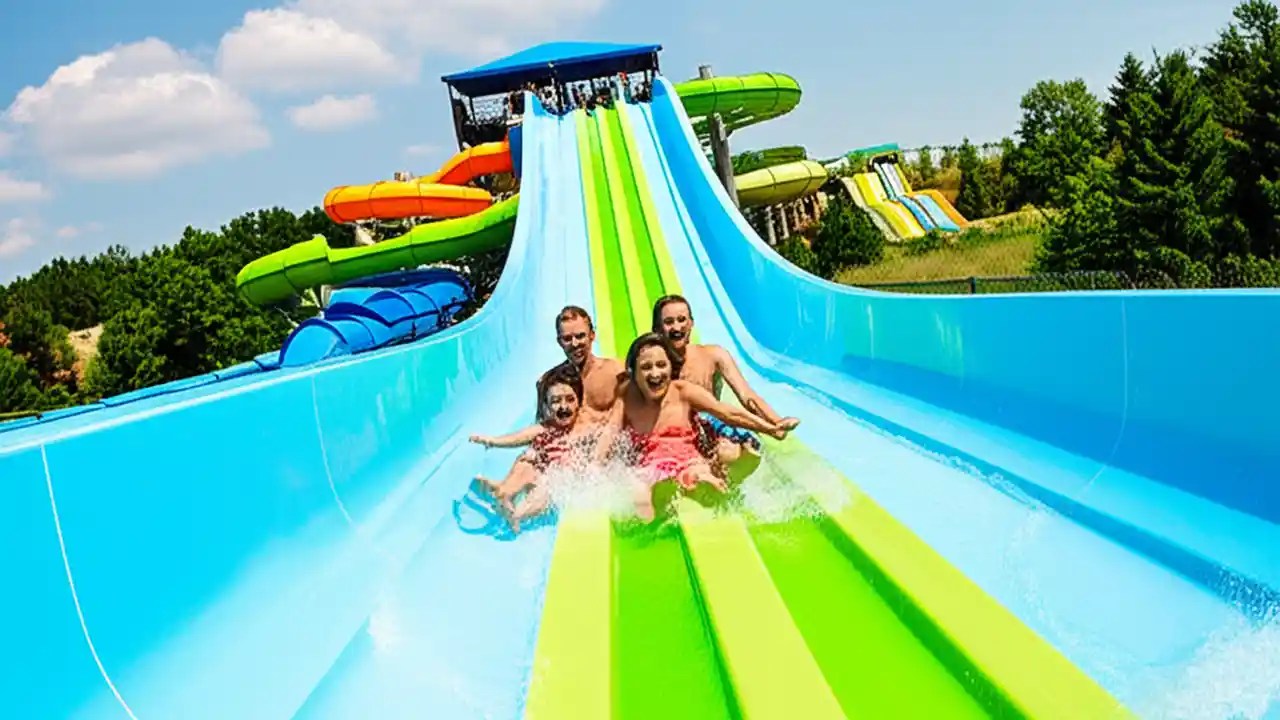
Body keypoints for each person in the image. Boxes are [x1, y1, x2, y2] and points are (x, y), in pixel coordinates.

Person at [598, 333, 790, 521]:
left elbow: (726, 412)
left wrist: (770, 428)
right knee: (640, 490)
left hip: (689, 461)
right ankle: (652, 518)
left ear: (671, 367)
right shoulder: (627, 398)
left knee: (698, 472)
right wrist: (594, 465)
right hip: (650, 465)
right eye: (646, 367)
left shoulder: (684, 392)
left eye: (661, 365)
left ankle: (709, 485)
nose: (655, 373)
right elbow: (610, 431)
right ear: (634, 373)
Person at [651, 295, 800, 466]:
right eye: (669, 322)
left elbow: (747, 396)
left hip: (714, 420)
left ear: (691, 323)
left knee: (745, 449)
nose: (677, 327)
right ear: (656, 329)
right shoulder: (652, 368)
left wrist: (776, 422)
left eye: (682, 320)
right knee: (725, 452)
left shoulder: (714, 355)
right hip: (678, 430)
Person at [470, 366, 590, 531]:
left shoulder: (584, 430)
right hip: (537, 467)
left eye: (570, 399)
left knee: (546, 491)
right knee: (525, 464)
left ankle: (517, 515)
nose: (563, 406)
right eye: (555, 401)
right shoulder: (543, 428)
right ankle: (503, 492)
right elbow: (517, 438)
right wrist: (492, 441)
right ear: (547, 406)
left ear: (579, 402)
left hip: (553, 479)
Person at [549, 305, 625, 428]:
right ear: (559, 342)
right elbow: (544, 429)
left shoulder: (617, 373)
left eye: (580, 336)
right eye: (567, 339)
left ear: (592, 335)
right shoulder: (549, 383)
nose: (574, 344)